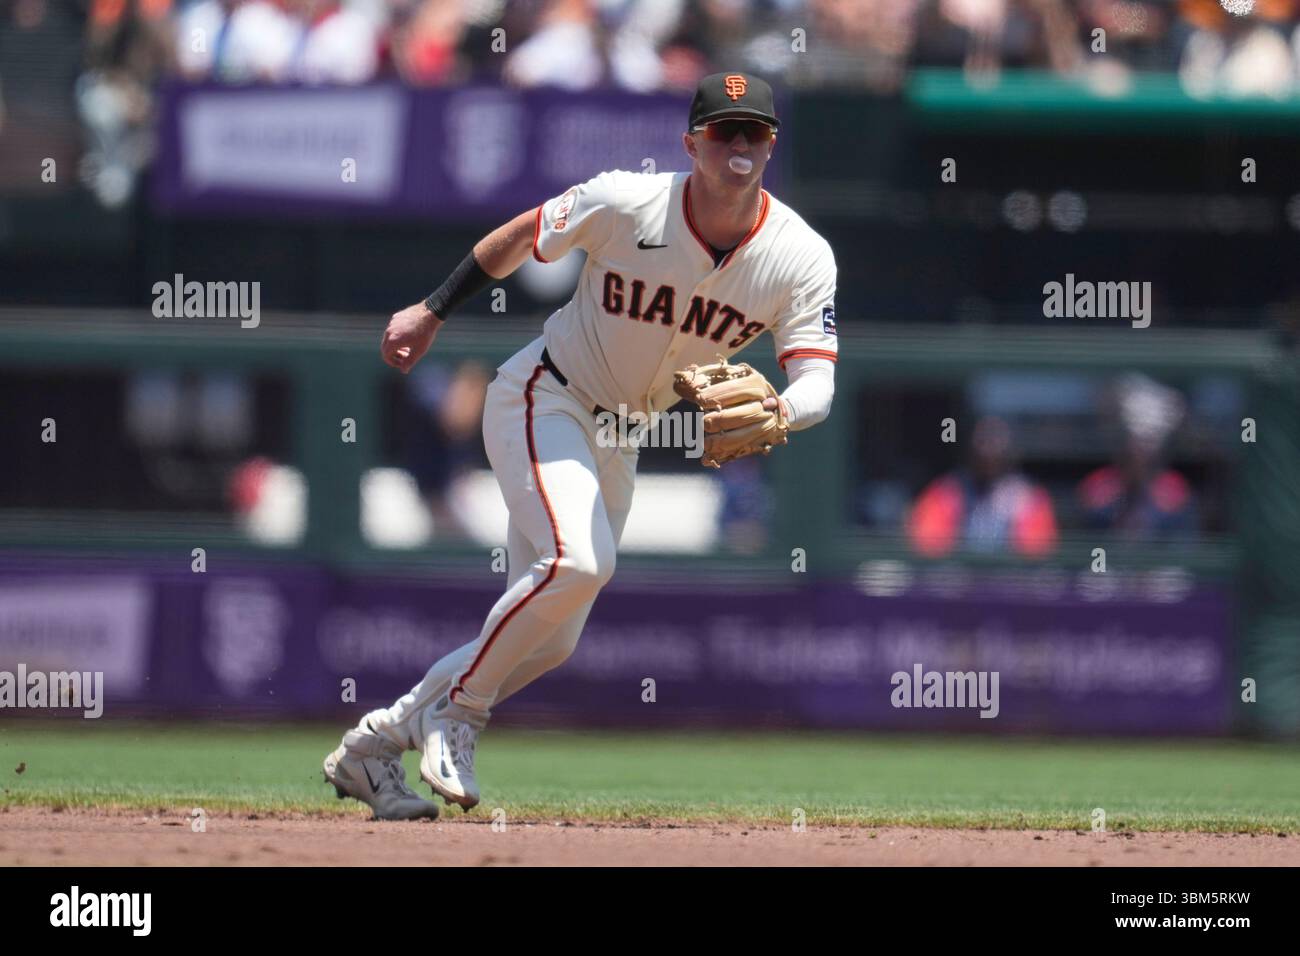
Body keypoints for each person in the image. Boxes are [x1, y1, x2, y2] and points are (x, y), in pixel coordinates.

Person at [323, 72, 840, 820]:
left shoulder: (801, 255)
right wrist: (433, 312)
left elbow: (817, 383)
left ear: (772, 145)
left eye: (754, 132)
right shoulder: (626, 200)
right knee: (576, 562)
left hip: (621, 432)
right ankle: (458, 716)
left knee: (552, 639)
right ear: (691, 142)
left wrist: (783, 416)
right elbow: (522, 236)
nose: (739, 145)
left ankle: (373, 747)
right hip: (547, 393)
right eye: (724, 131)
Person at [907, 416, 1057, 558]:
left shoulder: (1029, 496)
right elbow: (925, 544)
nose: (989, 456)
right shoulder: (947, 490)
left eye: (996, 450)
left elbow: (1039, 551)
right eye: (983, 447)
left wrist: (1020, 516)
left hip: (1011, 579)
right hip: (958, 578)